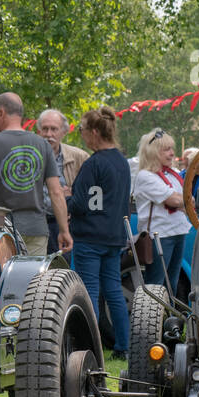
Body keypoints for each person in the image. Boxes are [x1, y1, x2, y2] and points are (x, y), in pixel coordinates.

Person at [67, 107, 131, 355]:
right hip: (114, 236)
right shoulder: (121, 161)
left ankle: (89, 346)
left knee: (89, 291)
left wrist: (67, 200)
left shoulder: (93, 164)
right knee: (113, 291)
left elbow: (82, 204)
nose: (82, 135)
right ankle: (123, 346)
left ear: (95, 132)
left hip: (90, 236)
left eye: (83, 130)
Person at [0, 92, 71, 255]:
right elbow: (56, 192)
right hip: (37, 230)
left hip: (2, 231)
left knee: (4, 279)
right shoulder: (43, 145)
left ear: (1, 113)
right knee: (34, 279)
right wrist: (64, 230)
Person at [133, 128, 192, 289]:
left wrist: (183, 201)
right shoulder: (146, 176)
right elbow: (174, 200)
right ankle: (150, 315)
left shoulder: (172, 175)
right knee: (156, 285)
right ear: (153, 152)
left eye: (172, 148)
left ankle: (168, 314)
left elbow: (188, 200)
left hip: (178, 231)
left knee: (171, 284)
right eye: (166, 149)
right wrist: (183, 201)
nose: (172, 153)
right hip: (160, 235)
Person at [37, 109, 89, 255]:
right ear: (39, 131)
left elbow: (93, 194)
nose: (49, 134)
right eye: (45, 129)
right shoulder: (30, 156)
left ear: (64, 132)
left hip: (66, 226)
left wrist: (74, 194)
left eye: (54, 129)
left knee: (61, 272)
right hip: (37, 224)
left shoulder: (79, 157)